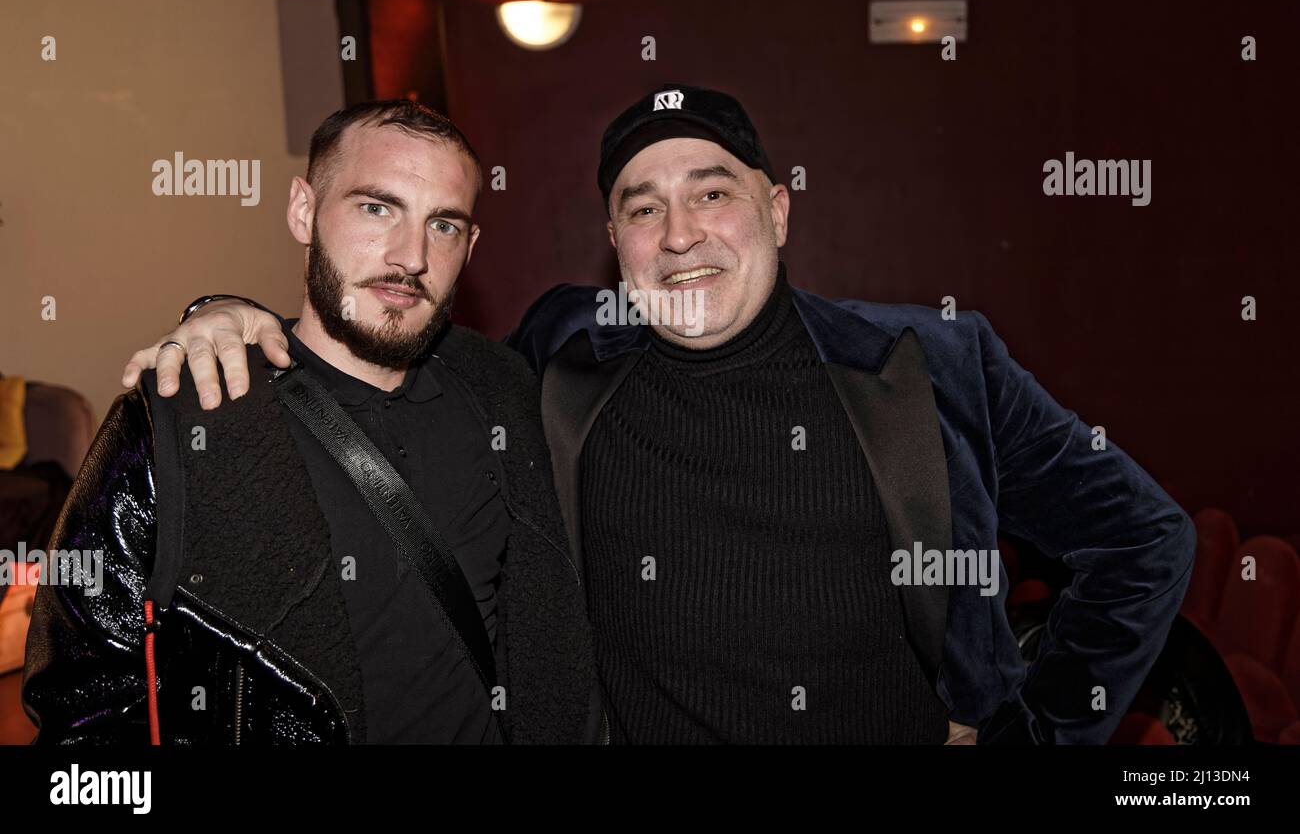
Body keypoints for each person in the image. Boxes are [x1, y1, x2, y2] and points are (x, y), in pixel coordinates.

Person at [119, 85, 1195, 745]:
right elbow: (371, 324)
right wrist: (223, 314)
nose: (680, 234)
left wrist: (1038, 731)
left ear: (776, 208)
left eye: (713, 191)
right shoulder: (553, 367)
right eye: (643, 206)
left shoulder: (937, 362)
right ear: (614, 241)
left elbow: (1144, 538)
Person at [23, 100, 597, 744]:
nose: (410, 256)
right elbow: (82, 695)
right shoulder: (190, 411)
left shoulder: (503, 394)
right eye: (376, 208)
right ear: (304, 211)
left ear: (471, 245)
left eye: (444, 224)